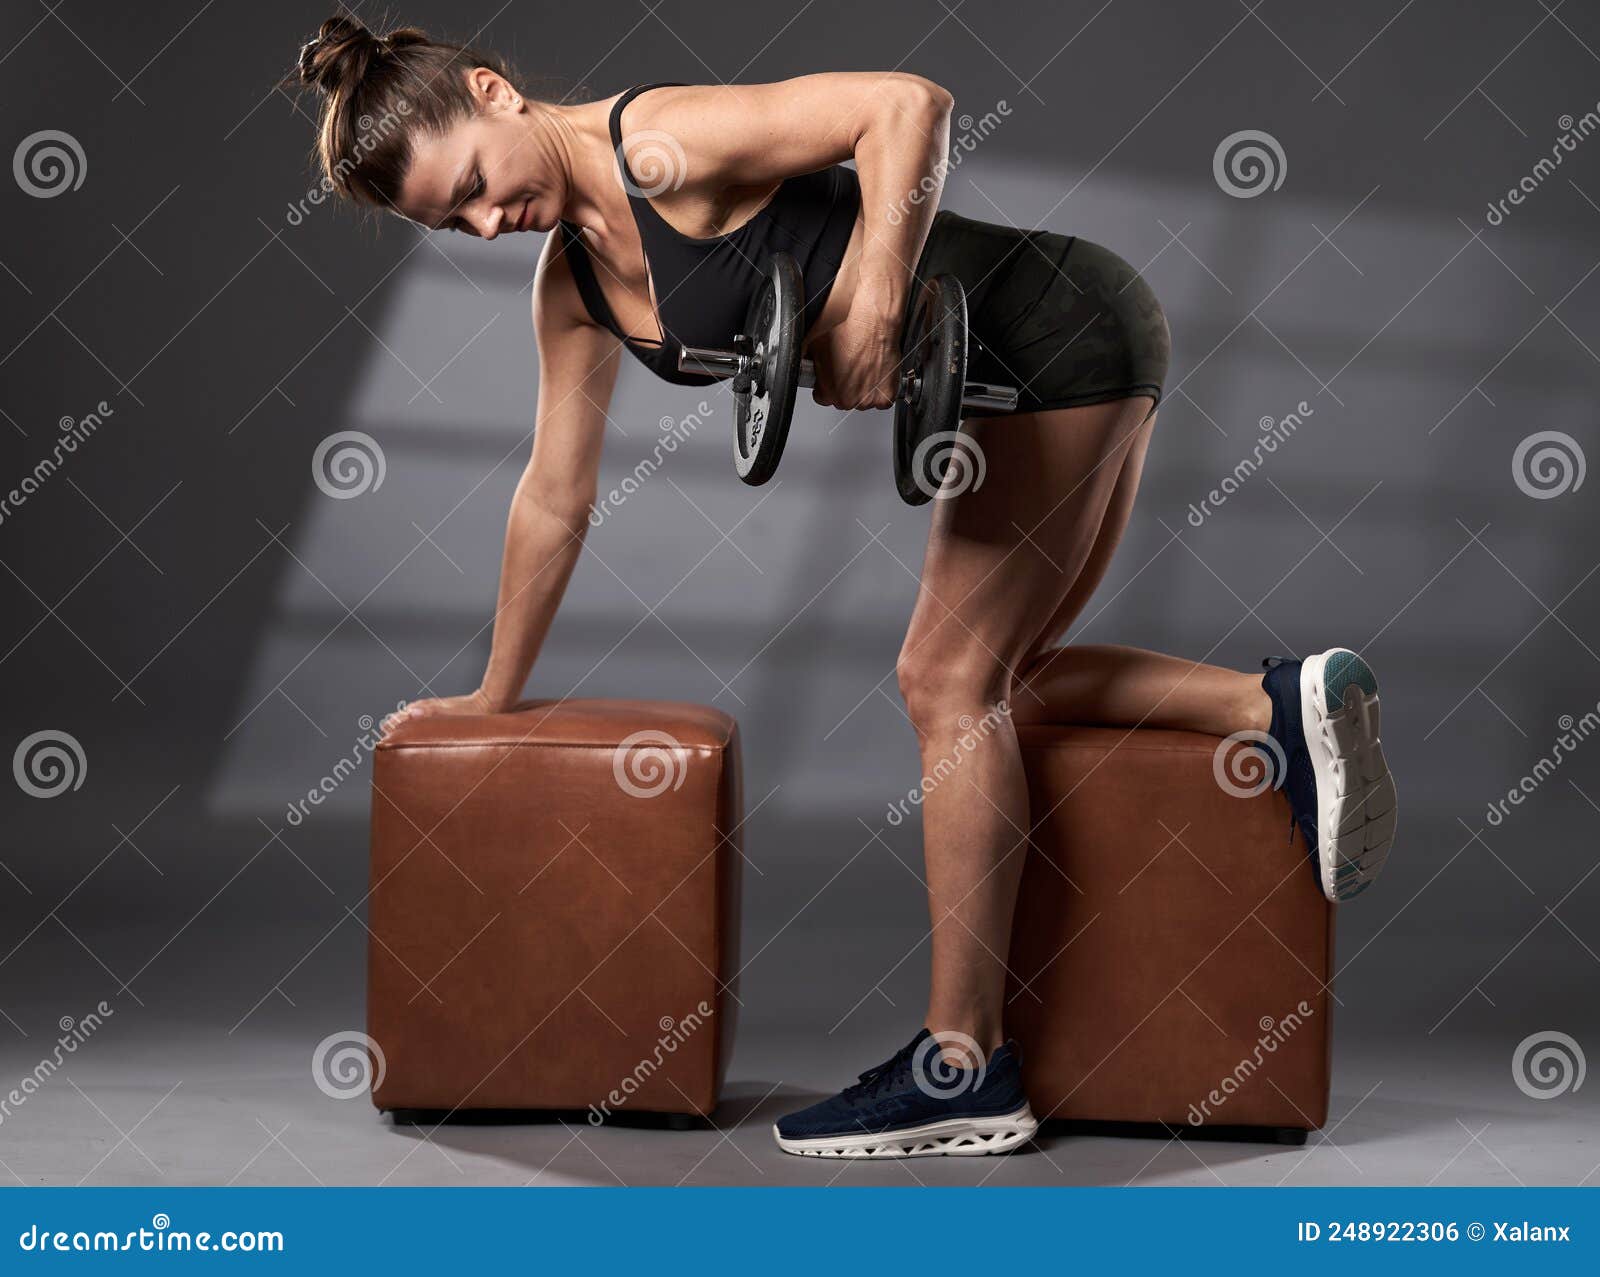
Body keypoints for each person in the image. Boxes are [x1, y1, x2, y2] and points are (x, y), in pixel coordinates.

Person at [296, 16, 1398, 1160]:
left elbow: (904, 103)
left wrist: (874, 298)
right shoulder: (572, 284)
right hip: (1054, 356)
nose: (485, 219)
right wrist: (490, 694)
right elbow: (554, 496)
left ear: (494, 92)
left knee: (942, 680)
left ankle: (961, 1063)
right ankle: (1274, 706)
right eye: (453, 221)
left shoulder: (663, 140)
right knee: (1000, 691)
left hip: (1056, 326)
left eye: (474, 181)